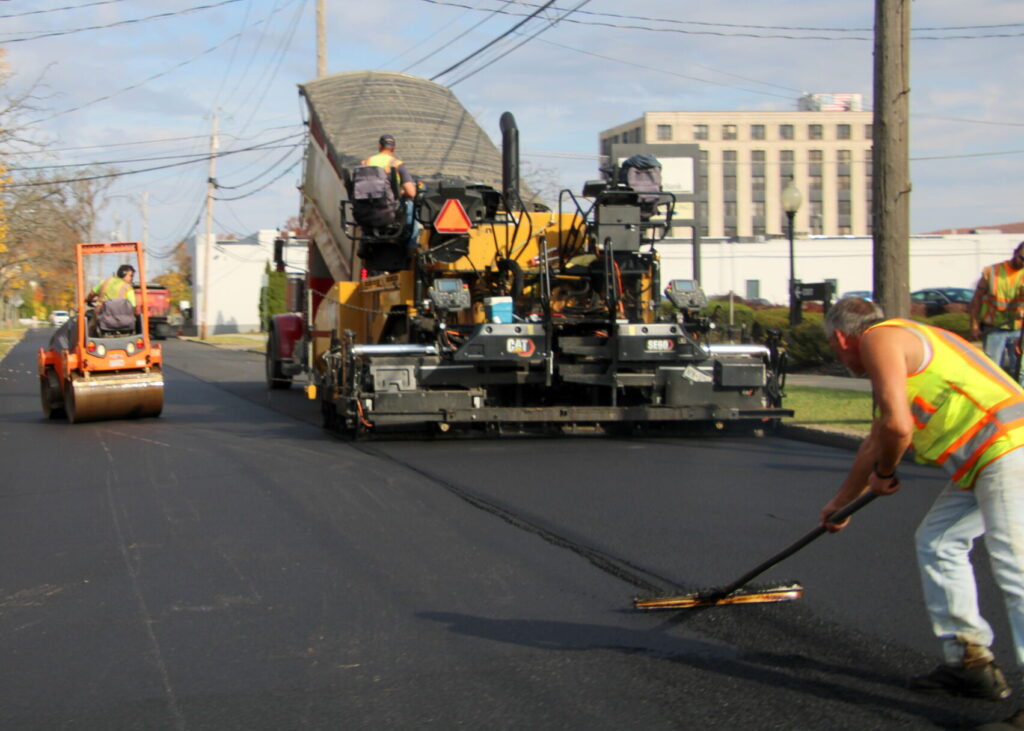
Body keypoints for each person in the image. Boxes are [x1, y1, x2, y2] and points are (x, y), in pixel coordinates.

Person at [820, 297, 1024, 728]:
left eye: (833, 349)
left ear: (841, 337)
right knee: (939, 541)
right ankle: (969, 662)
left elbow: (898, 429)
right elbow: (879, 437)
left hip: (1010, 450)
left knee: (1015, 568)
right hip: (988, 460)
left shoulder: (879, 339)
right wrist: (842, 503)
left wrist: (884, 473)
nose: (837, 357)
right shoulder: (900, 343)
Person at [969, 241, 1024, 380]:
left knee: (1019, 371)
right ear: (1015, 253)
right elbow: (977, 299)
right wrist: (974, 325)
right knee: (991, 371)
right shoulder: (992, 272)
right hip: (994, 328)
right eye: (1022, 258)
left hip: (1018, 329)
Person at [362, 133, 419, 248]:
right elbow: (412, 192)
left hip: (368, 208)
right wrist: (401, 192)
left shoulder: (366, 163)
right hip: (390, 209)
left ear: (379, 146)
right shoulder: (397, 164)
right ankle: (411, 245)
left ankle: (363, 244)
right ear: (393, 149)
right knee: (412, 209)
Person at [86, 264, 137, 333]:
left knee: (90, 326)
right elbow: (133, 306)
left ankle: (88, 339)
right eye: (131, 276)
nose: (132, 278)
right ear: (123, 274)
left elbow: (92, 293)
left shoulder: (104, 282)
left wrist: (88, 300)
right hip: (123, 322)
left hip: (103, 318)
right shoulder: (128, 288)